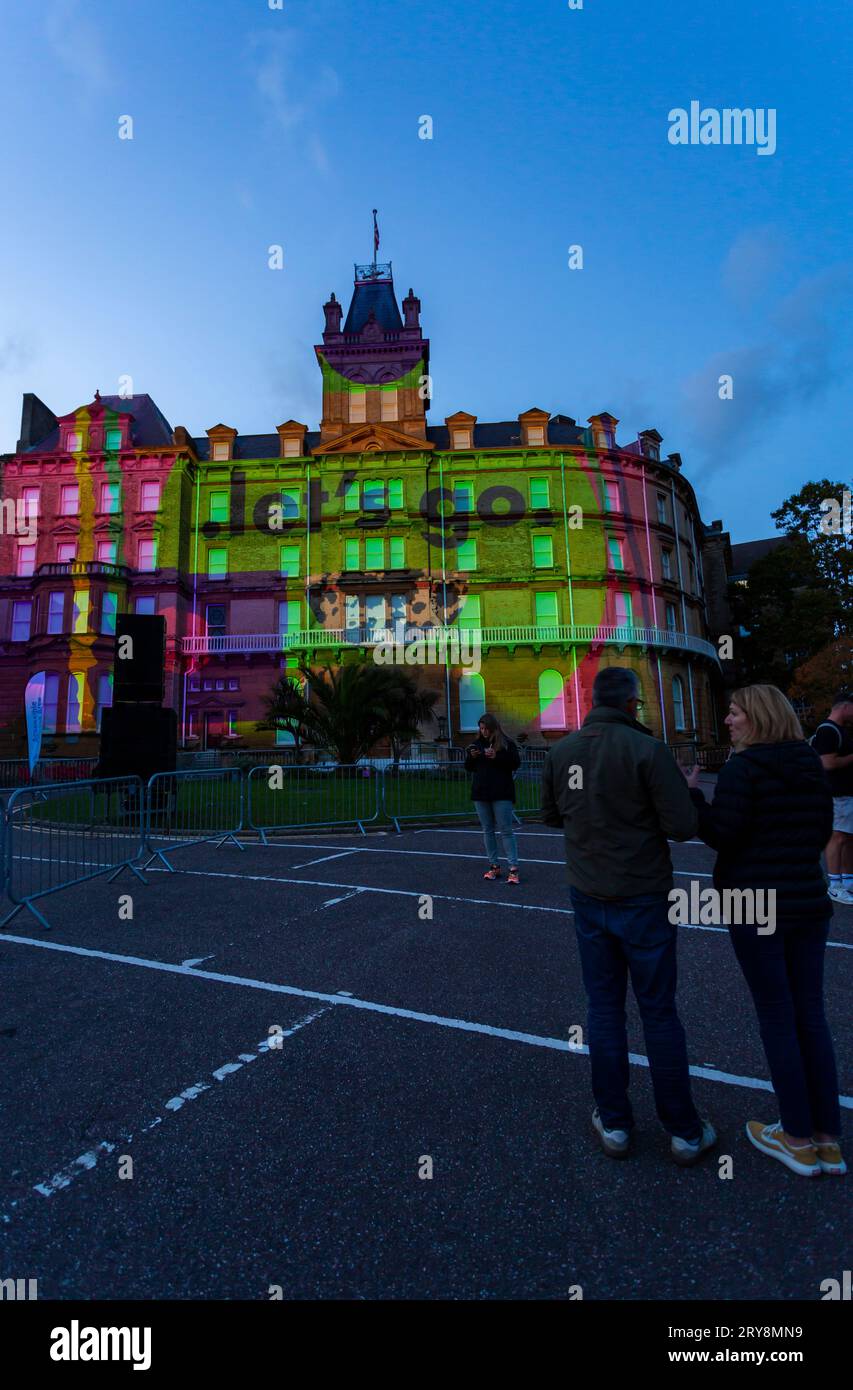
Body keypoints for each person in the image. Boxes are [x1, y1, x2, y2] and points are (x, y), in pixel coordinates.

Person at [542, 666, 715, 1165]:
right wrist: (684, 790)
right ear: (632, 704)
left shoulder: (562, 752)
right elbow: (682, 827)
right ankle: (682, 1130)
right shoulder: (649, 751)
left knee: (604, 1008)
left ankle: (615, 1122)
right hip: (643, 895)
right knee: (658, 1010)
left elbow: (551, 815)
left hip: (590, 893)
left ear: (594, 702)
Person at [685, 685, 844, 1177]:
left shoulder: (742, 769)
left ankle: (795, 1137)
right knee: (810, 1016)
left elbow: (721, 834)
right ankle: (826, 1139)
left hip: (756, 903)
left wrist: (693, 795)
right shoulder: (807, 763)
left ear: (755, 717)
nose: (728, 720)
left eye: (733, 713)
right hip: (806, 901)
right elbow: (820, 832)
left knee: (778, 1017)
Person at [465, 713, 521, 884]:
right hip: (481, 793)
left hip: (501, 792)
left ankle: (513, 868)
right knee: (487, 830)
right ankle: (494, 865)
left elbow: (515, 763)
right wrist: (472, 757)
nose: (484, 732)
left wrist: (496, 757)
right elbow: (468, 767)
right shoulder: (476, 744)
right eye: (481, 729)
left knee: (506, 830)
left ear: (493, 727)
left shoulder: (506, 743)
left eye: (486, 729)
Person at [811, 690, 853, 905]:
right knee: (838, 837)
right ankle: (835, 885)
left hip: (844, 793)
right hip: (836, 794)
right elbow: (827, 763)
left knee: (847, 838)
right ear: (845, 706)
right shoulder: (827, 730)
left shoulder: (839, 730)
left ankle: (847, 882)